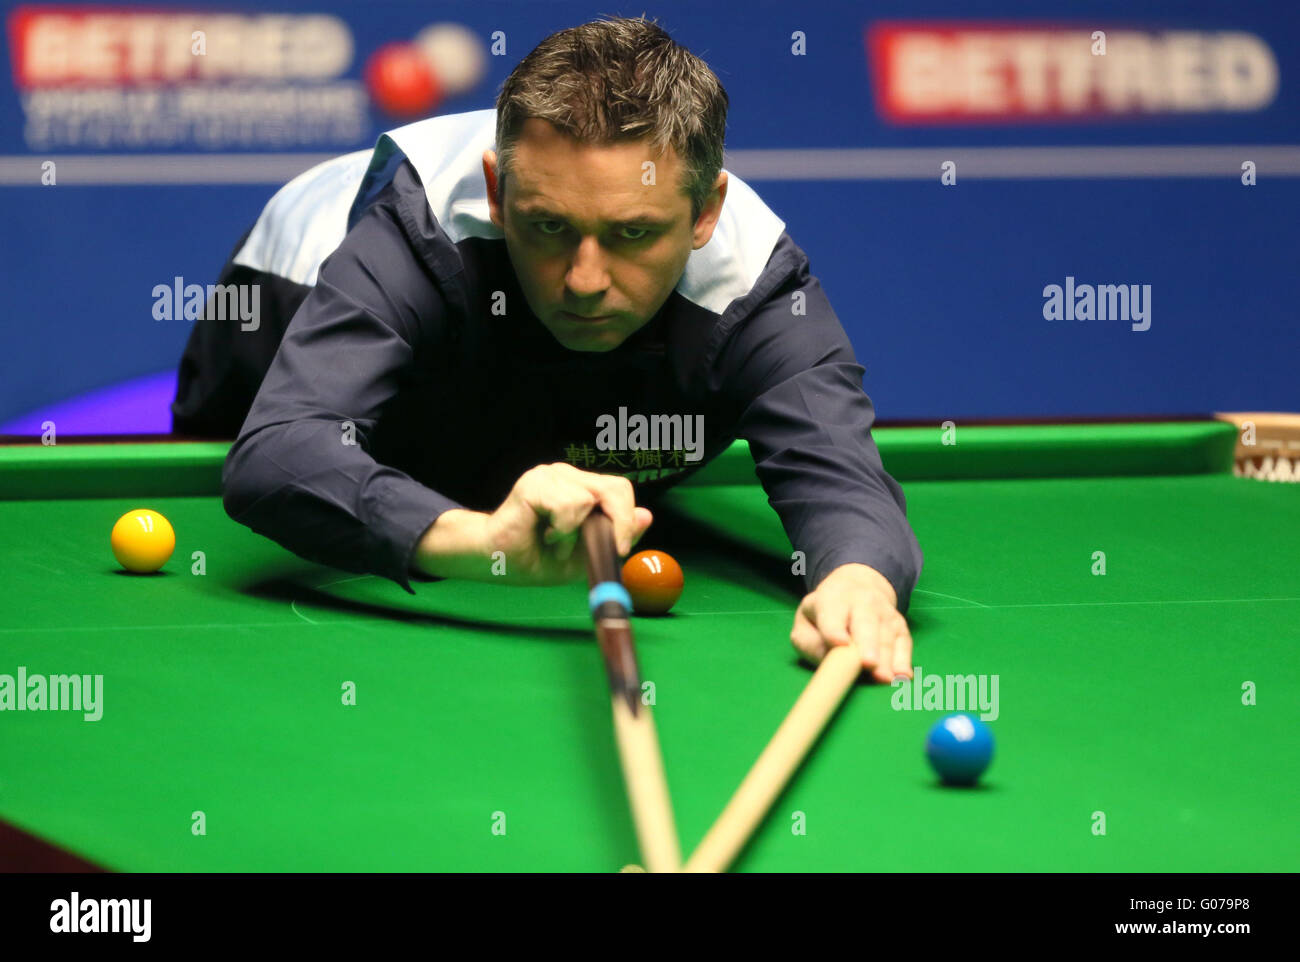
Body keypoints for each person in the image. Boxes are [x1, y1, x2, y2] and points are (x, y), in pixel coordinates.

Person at [176, 16, 923, 683]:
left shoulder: (752, 282)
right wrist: (482, 541)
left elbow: (843, 481)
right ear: (498, 194)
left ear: (705, 212)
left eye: (633, 233)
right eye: (549, 227)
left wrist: (859, 580)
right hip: (282, 324)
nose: (586, 280)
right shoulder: (417, 233)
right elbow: (279, 453)